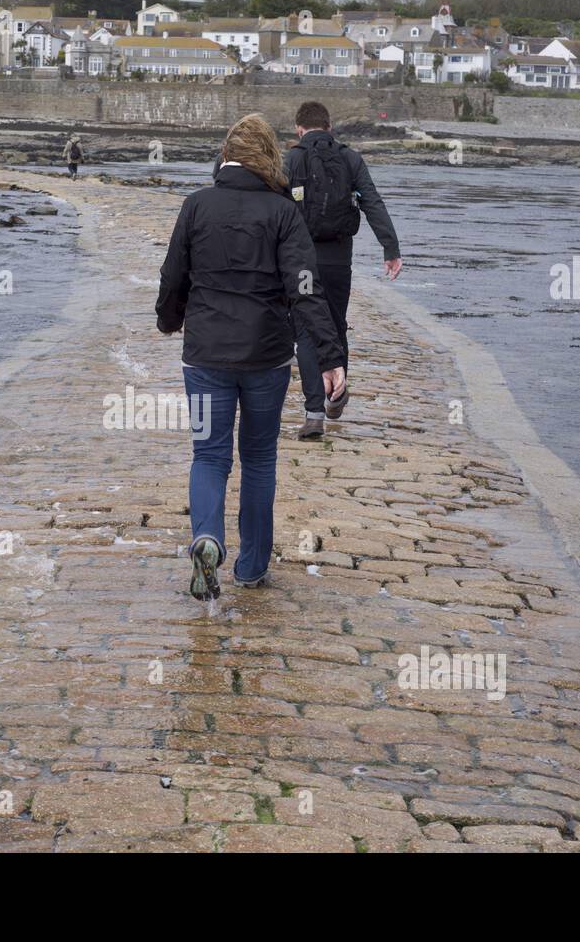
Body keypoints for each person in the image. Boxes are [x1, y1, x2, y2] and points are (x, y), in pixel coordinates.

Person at [157, 113, 346, 600]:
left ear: (225, 155)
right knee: (259, 460)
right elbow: (306, 289)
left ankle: (207, 539)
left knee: (208, 455)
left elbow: (173, 274)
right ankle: (251, 567)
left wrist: (169, 319)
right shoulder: (284, 213)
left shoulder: (196, 206)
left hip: (204, 357)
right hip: (266, 356)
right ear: (269, 159)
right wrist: (329, 357)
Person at [284, 101, 402, 440]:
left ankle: (314, 413)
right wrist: (390, 249)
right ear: (330, 126)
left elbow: (274, 208)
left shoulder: (292, 159)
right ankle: (336, 395)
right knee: (336, 326)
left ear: (299, 129)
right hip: (339, 260)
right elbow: (372, 201)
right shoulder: (350, 159)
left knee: (306, 331)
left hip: (302, 261)